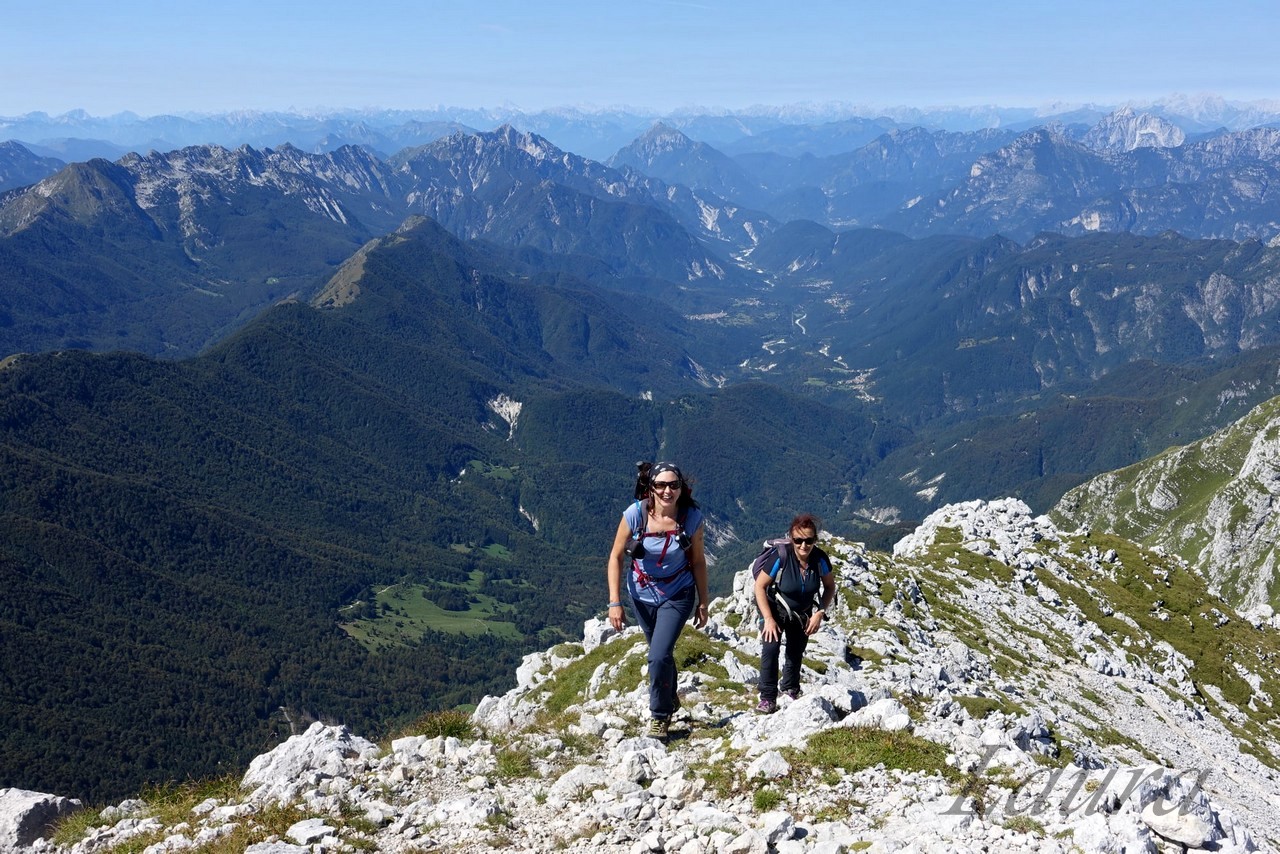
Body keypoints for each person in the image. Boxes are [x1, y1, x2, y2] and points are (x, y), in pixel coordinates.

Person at [606, 461, 709, 740]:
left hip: (678, 593)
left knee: (658, 655)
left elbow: (698, 561)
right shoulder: (635, 515)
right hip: (641, 595)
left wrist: (703, 602)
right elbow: (616, 556)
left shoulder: (691, 518)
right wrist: (615, 603)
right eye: (660, 485)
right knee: (660, 654)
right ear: (650, 488)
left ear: (681, 489)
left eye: (673, 485)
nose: (667, 491)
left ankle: (660, 716)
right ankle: (669, 696)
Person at [753, 513, 836, 714]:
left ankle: (790, 690)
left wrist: (820, 613)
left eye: (809, 540)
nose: (803, 545)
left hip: (803, 612)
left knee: (795, 651)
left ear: (815, 540)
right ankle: (767, 697)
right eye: (798, 540)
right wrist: (769, 619)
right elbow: (760, 587)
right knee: (771, 649)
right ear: (791, 539)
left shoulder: (820, 559)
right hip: (775, 608)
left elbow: (830, 587)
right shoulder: (781, 557)